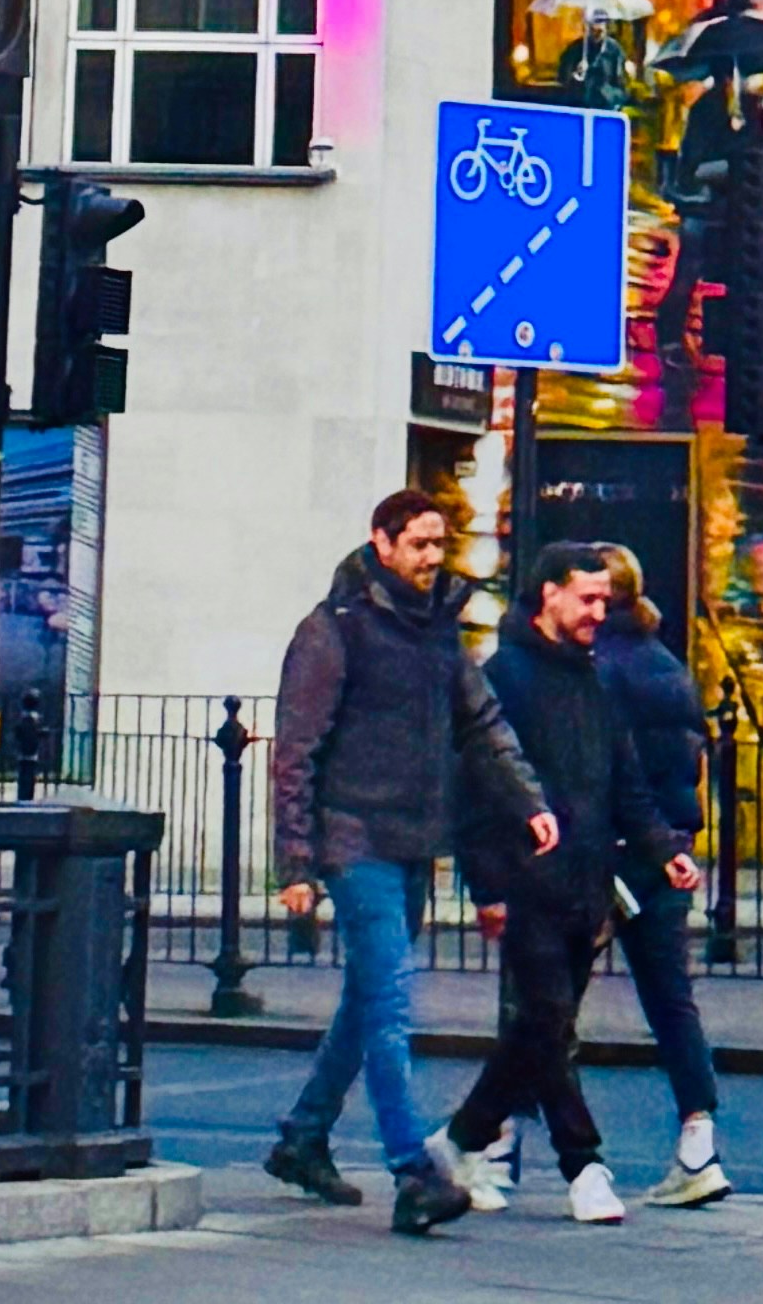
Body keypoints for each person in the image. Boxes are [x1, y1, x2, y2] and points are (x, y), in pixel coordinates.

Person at [271, 489, 555, 1235]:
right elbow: (295, 752)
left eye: (439, 543)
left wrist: (529, 801)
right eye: (419, 543)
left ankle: (304, 1135)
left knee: (366, 1000)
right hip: (355, 838)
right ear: (382, 542)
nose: (433, 557)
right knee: (390, 1008)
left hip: (412, 841)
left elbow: (483, 723)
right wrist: (296, 864)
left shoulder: (437, 631)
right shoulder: (335, 630)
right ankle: (412, 1172)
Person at [446, 544, 698, 1224]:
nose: (598, 612)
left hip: (586, 885)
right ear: (549, 594)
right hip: (527, 882)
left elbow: (626, 784)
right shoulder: (505, 676)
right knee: (550, 1024)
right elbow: (473, 790)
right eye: (586, 598)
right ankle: (584, 1165)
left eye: (603, 599)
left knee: (536, 1031)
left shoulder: (594, 680)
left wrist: (664, 849)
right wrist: (487, 887)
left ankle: (462, 1140)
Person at [592, 551, 732, 1204]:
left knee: (546, 1000)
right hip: (667, 847)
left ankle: (497, 1139)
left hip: (612, 848)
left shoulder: (599, 667)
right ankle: (698, 1140)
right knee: (671, 1001)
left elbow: (604, 768)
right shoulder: (666, 663)